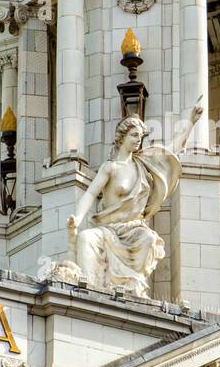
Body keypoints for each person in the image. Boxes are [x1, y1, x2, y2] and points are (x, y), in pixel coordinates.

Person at [68, 99, 204, 296]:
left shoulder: (144, 165)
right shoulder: (110, 167)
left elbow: (171, 150)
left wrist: (191, 122)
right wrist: (77, 218)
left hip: (134, 230)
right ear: (122, 138)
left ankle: (133, 288)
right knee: (85, 237)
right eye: (133, 135)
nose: (138, 140)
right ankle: (90, 293)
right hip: (109, 230)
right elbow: (90, 193)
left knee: (148, 238)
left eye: (140, 136)